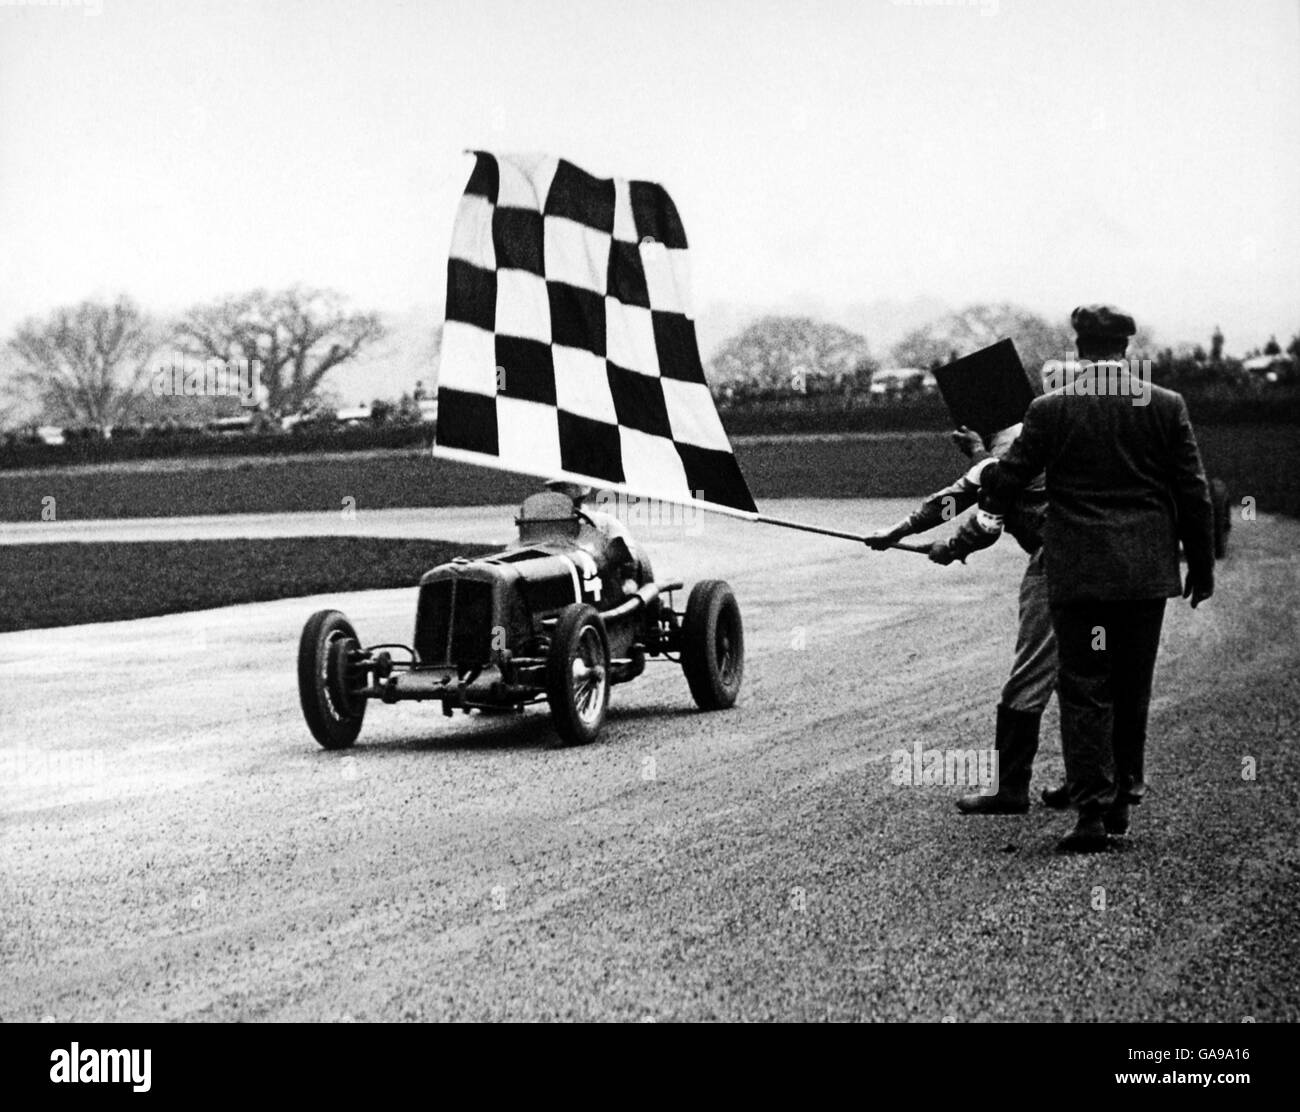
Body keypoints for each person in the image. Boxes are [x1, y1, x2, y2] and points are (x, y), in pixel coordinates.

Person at [981, 305, 1215, 852]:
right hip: (1143, 576)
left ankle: (1089, 810)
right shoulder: (1165, 405)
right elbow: (1193, 491)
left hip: (1079, 574)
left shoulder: (1050, 409)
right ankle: (1122, 798)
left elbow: (1010, 480)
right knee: (1132, 688)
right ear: (1126, 350)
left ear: (1079, 349)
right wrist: (1200, 568)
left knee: (1085, 688)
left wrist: (981, 465)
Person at [867, 423, 1053, 814]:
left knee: (1028, 678)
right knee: (1083, 674)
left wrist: (951, 547)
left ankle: (1010, 789)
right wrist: (895, 533)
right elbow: (951, 501)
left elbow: (985, 521)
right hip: (1098, 563)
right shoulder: (1023, 456)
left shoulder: (1003, 465)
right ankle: (1091, 784)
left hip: (1056, 564)